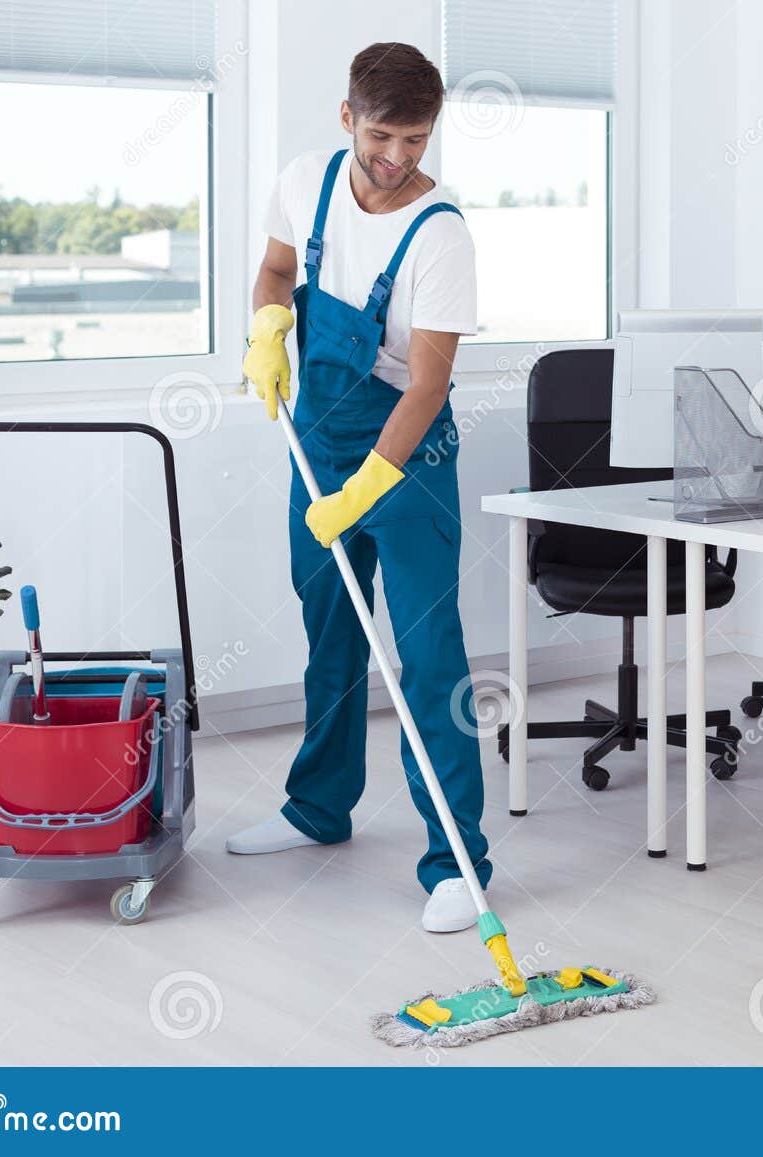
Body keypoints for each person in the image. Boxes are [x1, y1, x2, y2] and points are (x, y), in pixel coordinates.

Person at [227, 42, 493, 934]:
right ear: (348, 118)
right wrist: (267, 327)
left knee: (428, 658)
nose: (398, 158)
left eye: (416, 140)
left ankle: (457, 861)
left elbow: (426, 385)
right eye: (384, 135)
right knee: (331, 637)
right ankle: (318, 808)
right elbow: (275, 271)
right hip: (321, 443)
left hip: (408, 466)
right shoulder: (306, 180)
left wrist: (368, 485)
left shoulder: (441, 233)